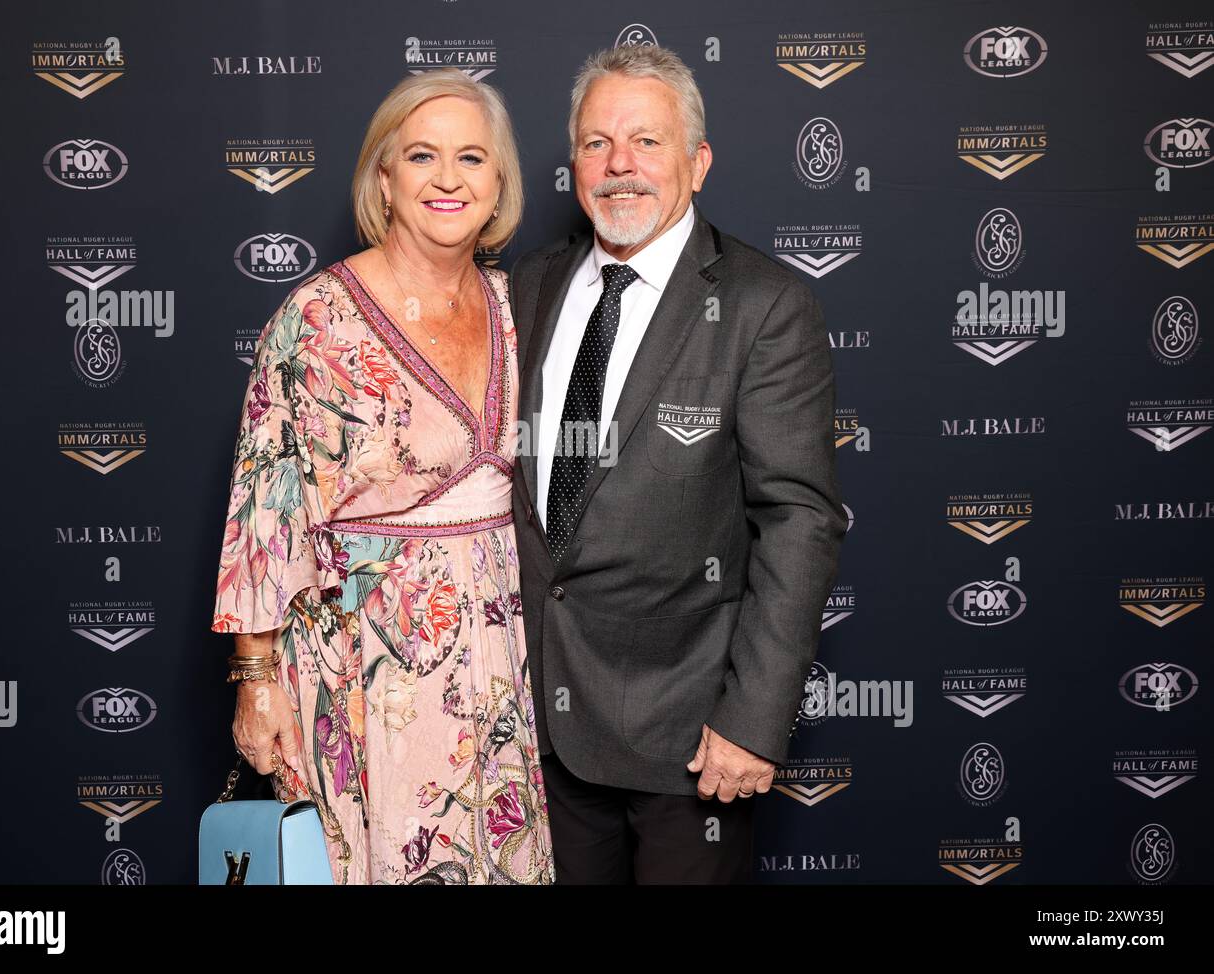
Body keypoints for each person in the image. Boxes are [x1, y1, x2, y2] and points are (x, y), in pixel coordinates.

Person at [509, 44, 846, 883]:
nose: (619, 165)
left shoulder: (764, 304)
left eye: (646, 142)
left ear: (696, 163)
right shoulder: (529, 286)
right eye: (596, 143)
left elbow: (798, 521)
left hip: (690, 742)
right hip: (531, 729)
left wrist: (755, 720)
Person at [211, 67, 554, 885]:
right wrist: (256, 685)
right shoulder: (316, 317)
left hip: (500, 658)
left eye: (472, 158)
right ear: (384, 179)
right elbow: (265, 516)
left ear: (498, 182)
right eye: (422, 156)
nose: (448, 179)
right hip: (358, 666)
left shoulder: (518, 305)